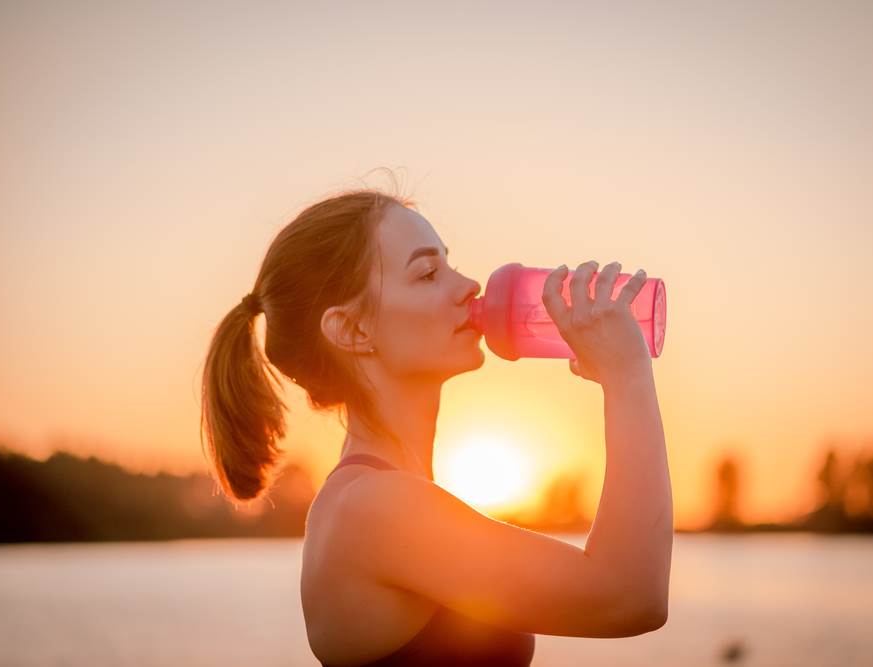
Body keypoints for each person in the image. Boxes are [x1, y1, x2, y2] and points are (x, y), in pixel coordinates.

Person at [200, 183, 673, 666]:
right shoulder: (372, 508)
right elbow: (628, 596)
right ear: (352, 329)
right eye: (427, 274)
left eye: (449, 263)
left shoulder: (386, 497)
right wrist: (627, 376)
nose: (469, 285)